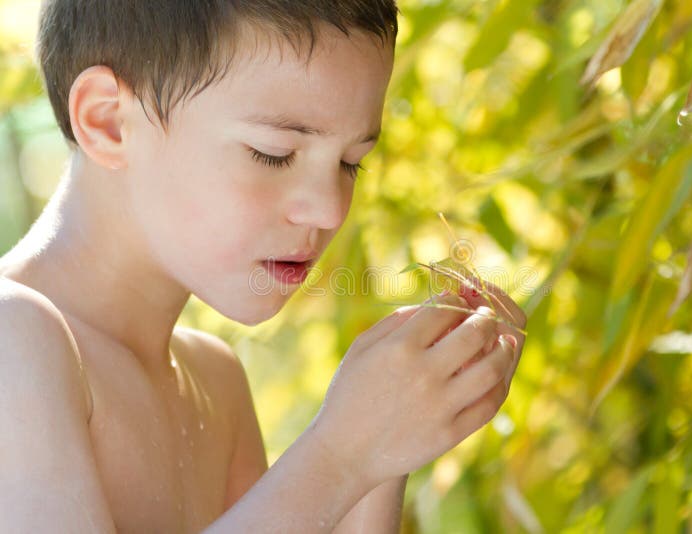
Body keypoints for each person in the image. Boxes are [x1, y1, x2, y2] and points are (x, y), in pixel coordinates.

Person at [0, 1, 527, 532]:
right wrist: (341, 455)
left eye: (350, 163)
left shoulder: (215, 379)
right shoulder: (12, 335)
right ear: (109, 121)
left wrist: (385, 451)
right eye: (274, 154)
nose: (330, 209)